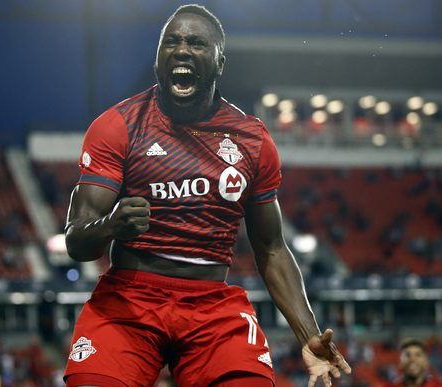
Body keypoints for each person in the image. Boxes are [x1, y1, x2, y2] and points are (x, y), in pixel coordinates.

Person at [63, 4, 351, 387]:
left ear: (219, 63)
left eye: (196, 42)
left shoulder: (252, 140)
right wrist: (110, 225)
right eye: (171, 42)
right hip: (129, 300)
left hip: (211, 304)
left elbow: (272, 248)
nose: (181, 50)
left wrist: (307, 334)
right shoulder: (118, 126)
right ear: (157, 61)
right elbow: (77, 242)